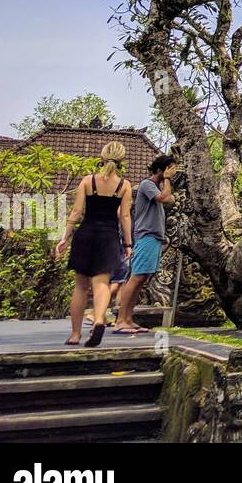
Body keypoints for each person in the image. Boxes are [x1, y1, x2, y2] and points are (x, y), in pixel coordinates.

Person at [56, 142, 133, 347]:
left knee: (80, 286)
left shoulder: (88, 181)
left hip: (85, 234)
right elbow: (124, 217)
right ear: (122, 160)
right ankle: (99, 319)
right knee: (102, 283)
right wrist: (128, 244)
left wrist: (65, 237)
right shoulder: (124, 185)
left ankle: (74, 334)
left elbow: (76, 212)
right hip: (108, 237)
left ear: (102, 156)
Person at [114, 154, 175, 335]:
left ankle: (129, 318)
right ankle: (120, 320)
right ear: (159, 170)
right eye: (169, 169)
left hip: (154, 236)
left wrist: (166, 181)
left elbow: (170, 198)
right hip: (146, 235)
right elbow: (165, 198)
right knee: (135, 278)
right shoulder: (147, 184)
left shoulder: (156, 186)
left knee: (142, 279)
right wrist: (168, 179)